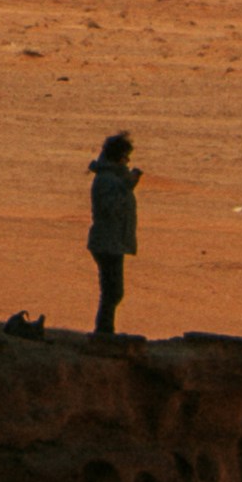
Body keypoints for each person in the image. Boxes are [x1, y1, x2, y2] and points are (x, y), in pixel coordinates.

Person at [88, 127, 141, 337]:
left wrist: (127, 184)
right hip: (107, 243)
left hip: (110, 242)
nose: (127, 162)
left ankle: (105, 330)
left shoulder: (112, 178)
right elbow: (111, 208)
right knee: (113, 291)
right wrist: (127, 186)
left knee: (112, 291)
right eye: (126, 157)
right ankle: (103, 332)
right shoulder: (107, 180)